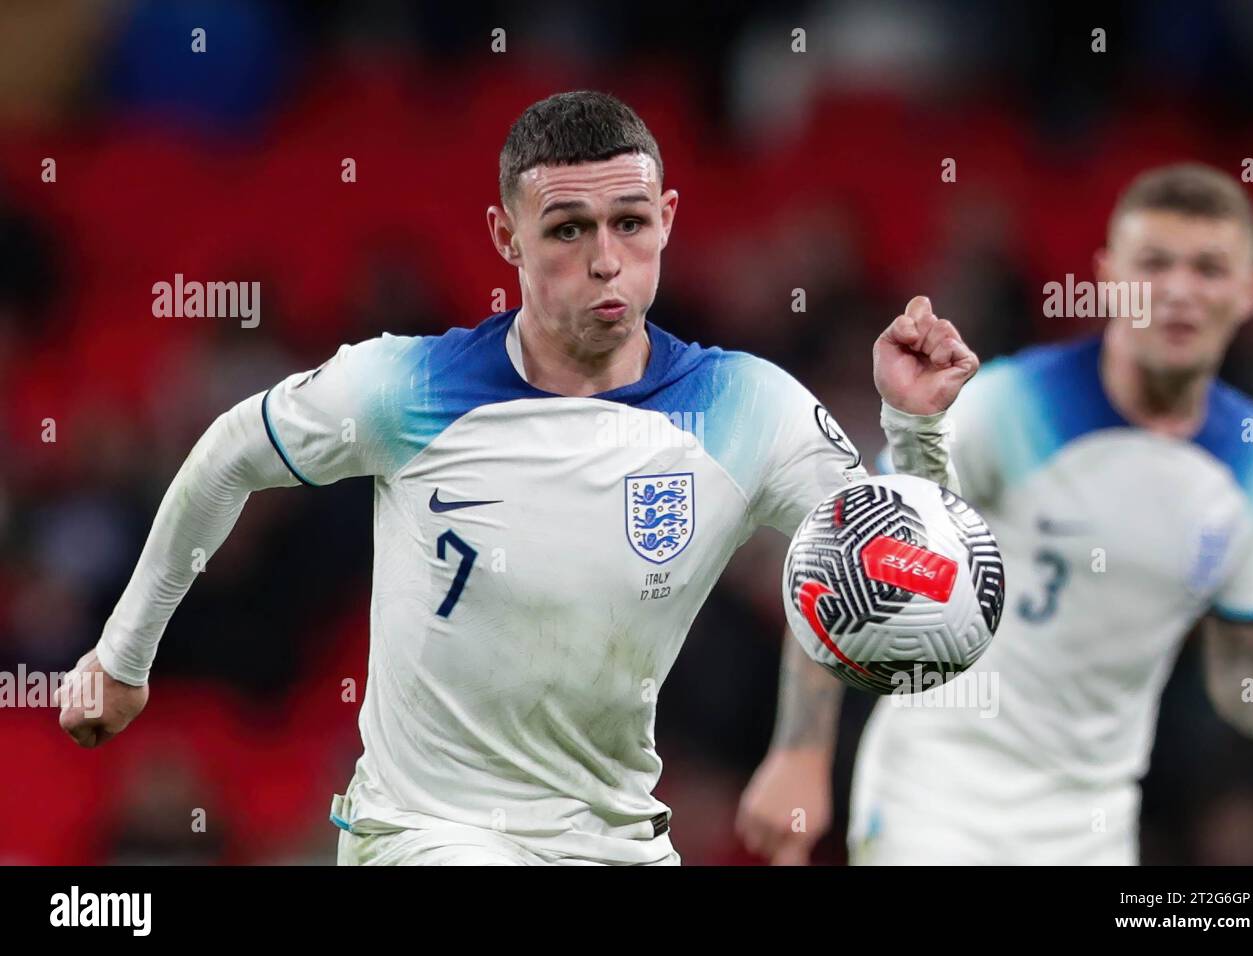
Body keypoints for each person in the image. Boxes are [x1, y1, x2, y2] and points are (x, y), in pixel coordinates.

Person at [57, 90, 979, 866]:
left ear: (668, 220)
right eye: (568, 229)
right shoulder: (408, 386)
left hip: (613, 837)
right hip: (422, 833)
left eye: (629, 223)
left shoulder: (746, 407)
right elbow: (228, 455)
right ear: (506, 236)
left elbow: (904, 577)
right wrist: (123, 657)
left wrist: (916, 427)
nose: (605, 259)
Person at [737, 162, 1253, 866]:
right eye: (1156, 264)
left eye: (1210, 269)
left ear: (1250, 291)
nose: (1180, 292)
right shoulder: (1013, 405)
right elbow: (844, 551)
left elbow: (1241, 671)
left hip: (1094, 826)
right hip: (939, 794)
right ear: (1108, 274)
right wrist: (800, 753)